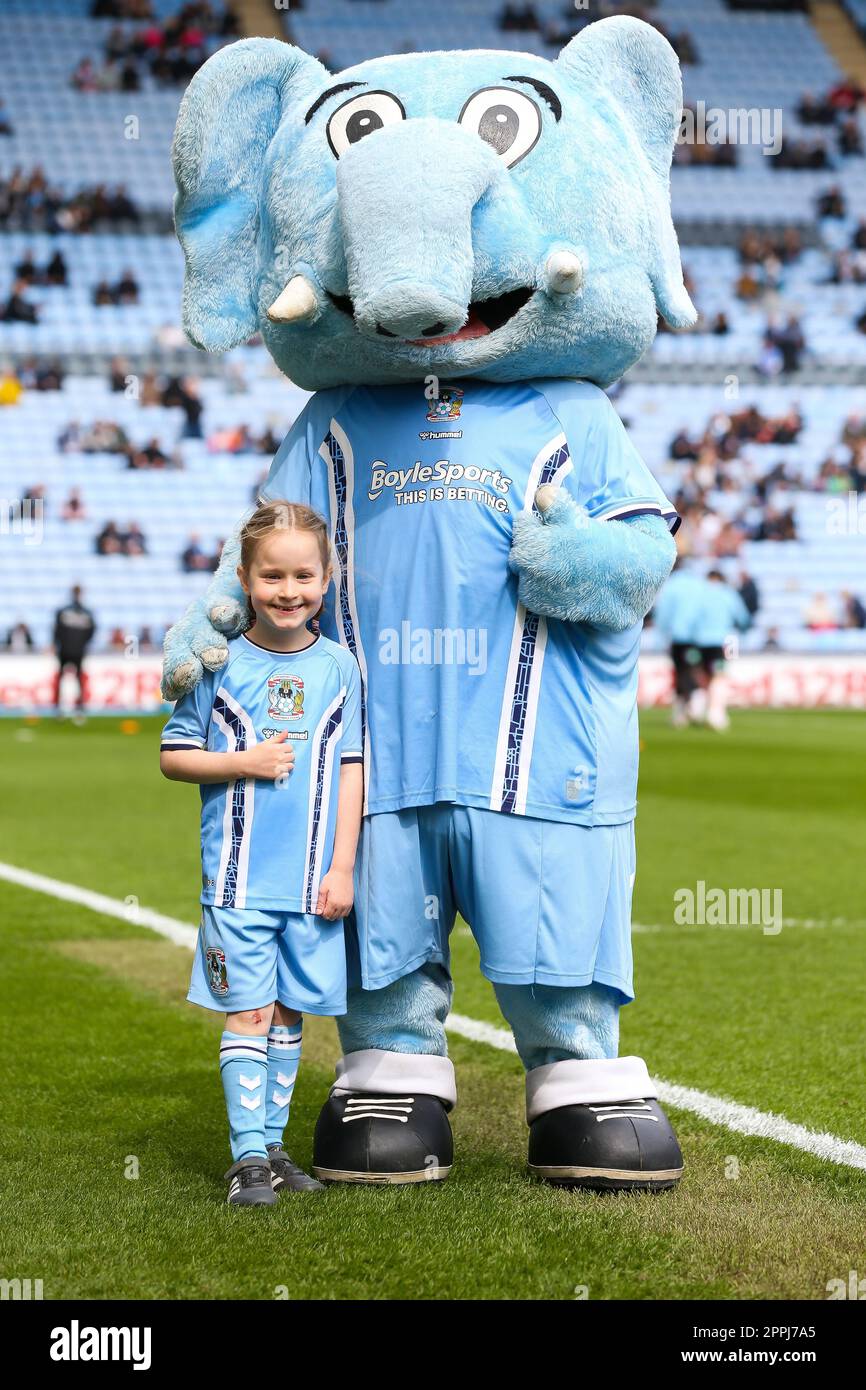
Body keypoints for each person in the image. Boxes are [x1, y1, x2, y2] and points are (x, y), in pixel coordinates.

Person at [160, 501, 364, 1206]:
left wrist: (342, 866)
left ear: (326, 578)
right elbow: (174, 757)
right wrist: (241, 761)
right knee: (247, 1012)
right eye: (271, 576)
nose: (288, 591)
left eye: (302, 576)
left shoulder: (339, 666)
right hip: (240, 882)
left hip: (311, 885)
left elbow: (351, 767)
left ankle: (275, 1147)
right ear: (244, 579)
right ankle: (246, 1158)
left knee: (287, 1015)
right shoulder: (218, 663)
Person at [694, 570, 751, 732]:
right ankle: (715, 713)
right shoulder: (728, 594)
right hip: (722, 641)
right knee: (720, 676)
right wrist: (744, 629)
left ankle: (697, 708)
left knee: (703, 675)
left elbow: (690, 618)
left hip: (699, 641)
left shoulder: (698, 594)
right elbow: (742, 617)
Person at [53, 585, 96, 719]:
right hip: (72, 650)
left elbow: (57, 631)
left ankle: (74, 708)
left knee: (72, 679)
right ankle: (69, 708)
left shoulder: (66, 612)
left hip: (70, 650)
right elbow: (91, 631)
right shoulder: (84, 613)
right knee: (70, 679)